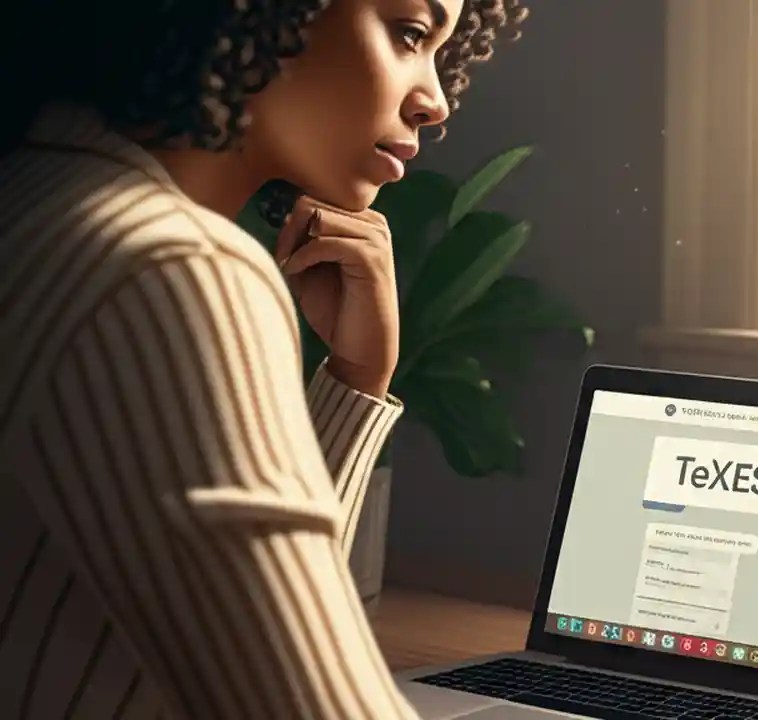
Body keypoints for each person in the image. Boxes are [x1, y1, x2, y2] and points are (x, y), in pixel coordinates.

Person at [0, 1, 525, 717]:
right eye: (409, 33)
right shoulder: (171, 268)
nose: (434, 101)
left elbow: (259, 639)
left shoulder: (41, 193)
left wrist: (357, 381)